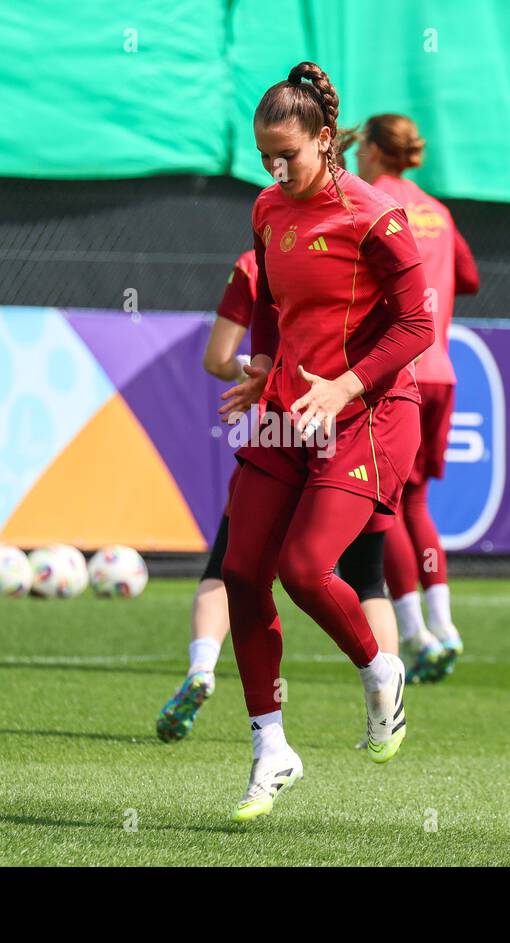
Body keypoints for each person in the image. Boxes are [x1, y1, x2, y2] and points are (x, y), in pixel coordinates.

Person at [217, 62, 434, 821]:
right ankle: (271, 747)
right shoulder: (268, 207)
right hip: (290, 405)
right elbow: (273, 303)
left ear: (324, 140)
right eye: (265, 156)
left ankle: (381, 672)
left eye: (290, 154)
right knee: (243, 572)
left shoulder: (373, 215)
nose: (276, 169)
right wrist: (264, 365)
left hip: (368, 411)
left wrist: (345, 385)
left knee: (306, 568)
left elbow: (418, 324)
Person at [156, 246, 404, 741]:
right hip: (353, 424)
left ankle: (202, 668)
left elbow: (217, 359)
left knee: (230, 567)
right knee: (368, 576)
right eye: (270, 161)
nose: (276, 171)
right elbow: (415, 323)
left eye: (282, 161)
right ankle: (385, 696)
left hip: (286, 429)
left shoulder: (254, 262)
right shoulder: (362, 248)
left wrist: (258, 370)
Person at [353, 114, 480, 683]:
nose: (354, 159)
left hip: (394, 372)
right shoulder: (440, 212)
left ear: (377, 152)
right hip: (442, 370)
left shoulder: (370, 201)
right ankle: (445, 625)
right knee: (418, 504)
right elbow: (470, 278)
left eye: (359, 148)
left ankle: (413, 634)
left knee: (388, 505)